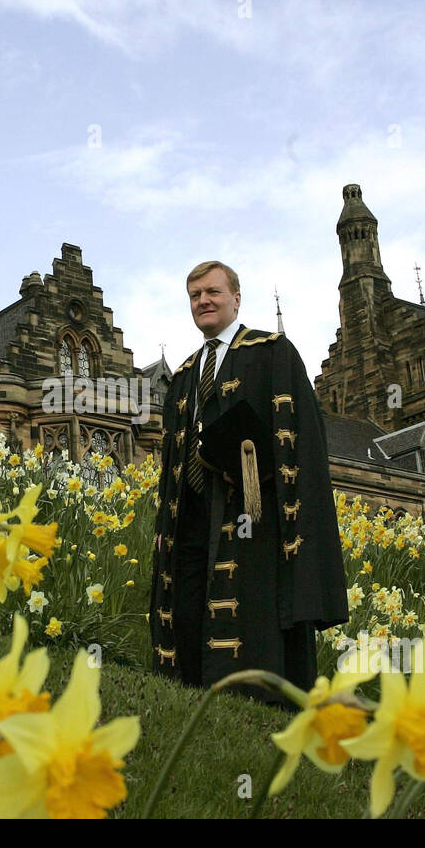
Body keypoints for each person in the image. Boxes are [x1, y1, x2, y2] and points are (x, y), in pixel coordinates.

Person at [148, 261, 348, 704]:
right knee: (190, 596)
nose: (204, 301)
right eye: (196, 295)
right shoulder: (182, 375)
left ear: (236, 298)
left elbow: (299, 438)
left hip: (252, 514)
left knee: (250, 604)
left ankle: (257, 698)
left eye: (213, 292)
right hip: (192, 512)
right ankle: (192, 693)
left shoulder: (271, 351)